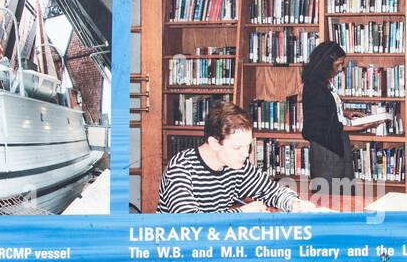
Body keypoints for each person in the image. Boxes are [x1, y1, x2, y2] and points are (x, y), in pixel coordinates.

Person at [158, 101, 318, 213]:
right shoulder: (180, 169)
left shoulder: (237, 164)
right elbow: (191, 226)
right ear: (214, 143)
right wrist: (241, 214)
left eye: (248, 145)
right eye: (237, 147)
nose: (245, 153)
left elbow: (271, 191)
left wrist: (295, 204)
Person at [300, 40, 375, 206]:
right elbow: (322, 123)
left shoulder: (323, 82)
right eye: (338, 64)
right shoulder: (314, 85)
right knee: (330, 195)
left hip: (336, 141)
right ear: (326, 63)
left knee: (344, 190)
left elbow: (326, 110)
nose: (340, 69)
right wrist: (356, 127)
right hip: (326, 147)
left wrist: (345, 112)